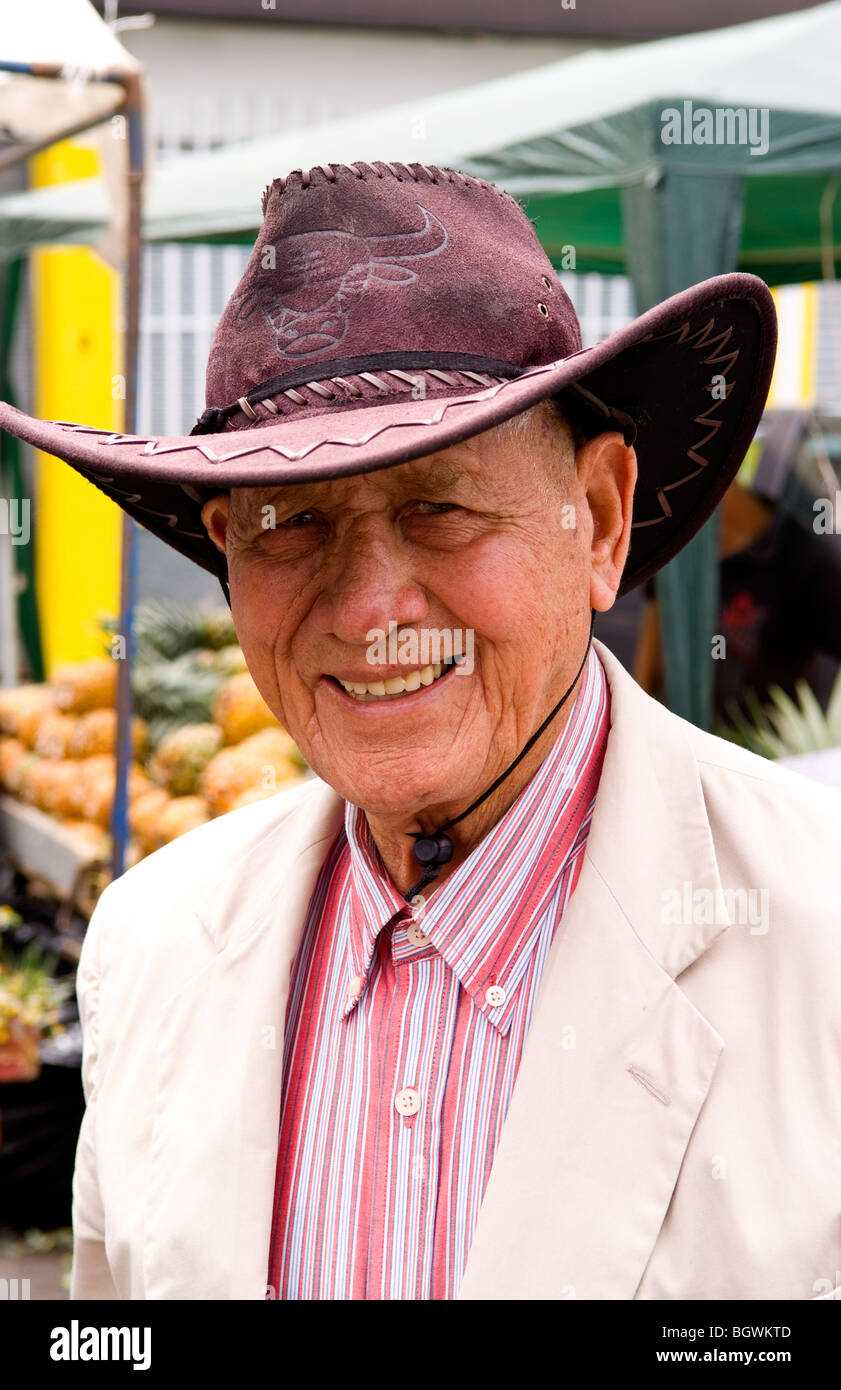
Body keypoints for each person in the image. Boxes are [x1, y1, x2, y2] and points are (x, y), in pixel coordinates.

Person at [2, 160, 840, 1302]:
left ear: (595, 520)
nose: (366, 608)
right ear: (226, 552)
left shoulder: (819, 941)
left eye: (439, 505)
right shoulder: (149, 945)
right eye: (290, 522)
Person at [633, 476, 841, 725]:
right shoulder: (675, 558)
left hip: (768, 754)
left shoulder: (804, 560)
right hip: (687, 746)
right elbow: (646, 672)